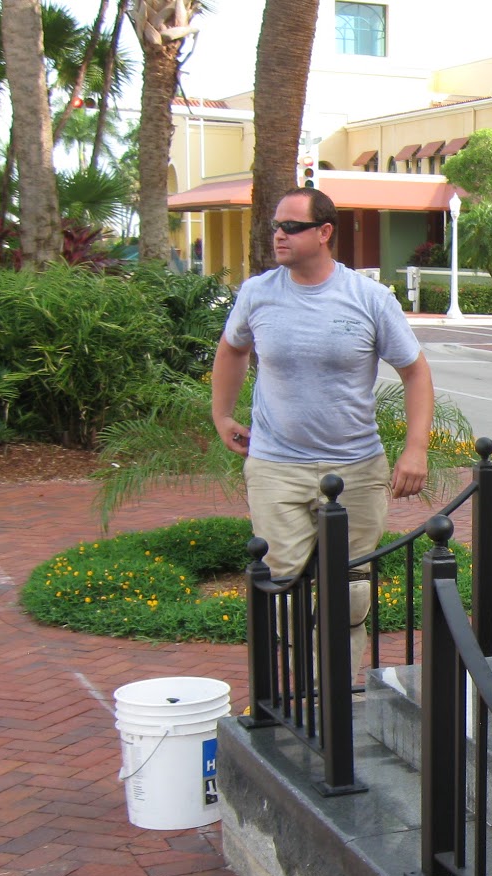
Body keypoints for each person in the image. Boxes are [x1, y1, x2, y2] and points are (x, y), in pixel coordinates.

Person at [210, 187, 434, 671]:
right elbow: (232, 349)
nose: (279, 236)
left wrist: (416, 448)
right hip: (276, 466)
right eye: (276, 226)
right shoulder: (258, 293)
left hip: (356, 467)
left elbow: (415, 372)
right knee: (284, 588)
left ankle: (343, 698)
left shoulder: (368, 298)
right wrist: (221, 414)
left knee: (350, 591)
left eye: (292, 227)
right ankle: (301, 702)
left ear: (325, 232)